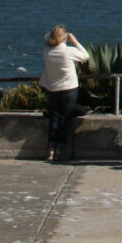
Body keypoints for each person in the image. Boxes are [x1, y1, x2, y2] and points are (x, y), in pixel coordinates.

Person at [40, 26, 88, 161]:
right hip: (69, 88)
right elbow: (85, 56)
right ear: (64, 37)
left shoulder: (47, 51)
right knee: (64, 118)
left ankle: (50, 149)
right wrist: (76, 42)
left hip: (52, 88)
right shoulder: (68, 51)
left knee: (54, 117)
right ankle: (61, 149)